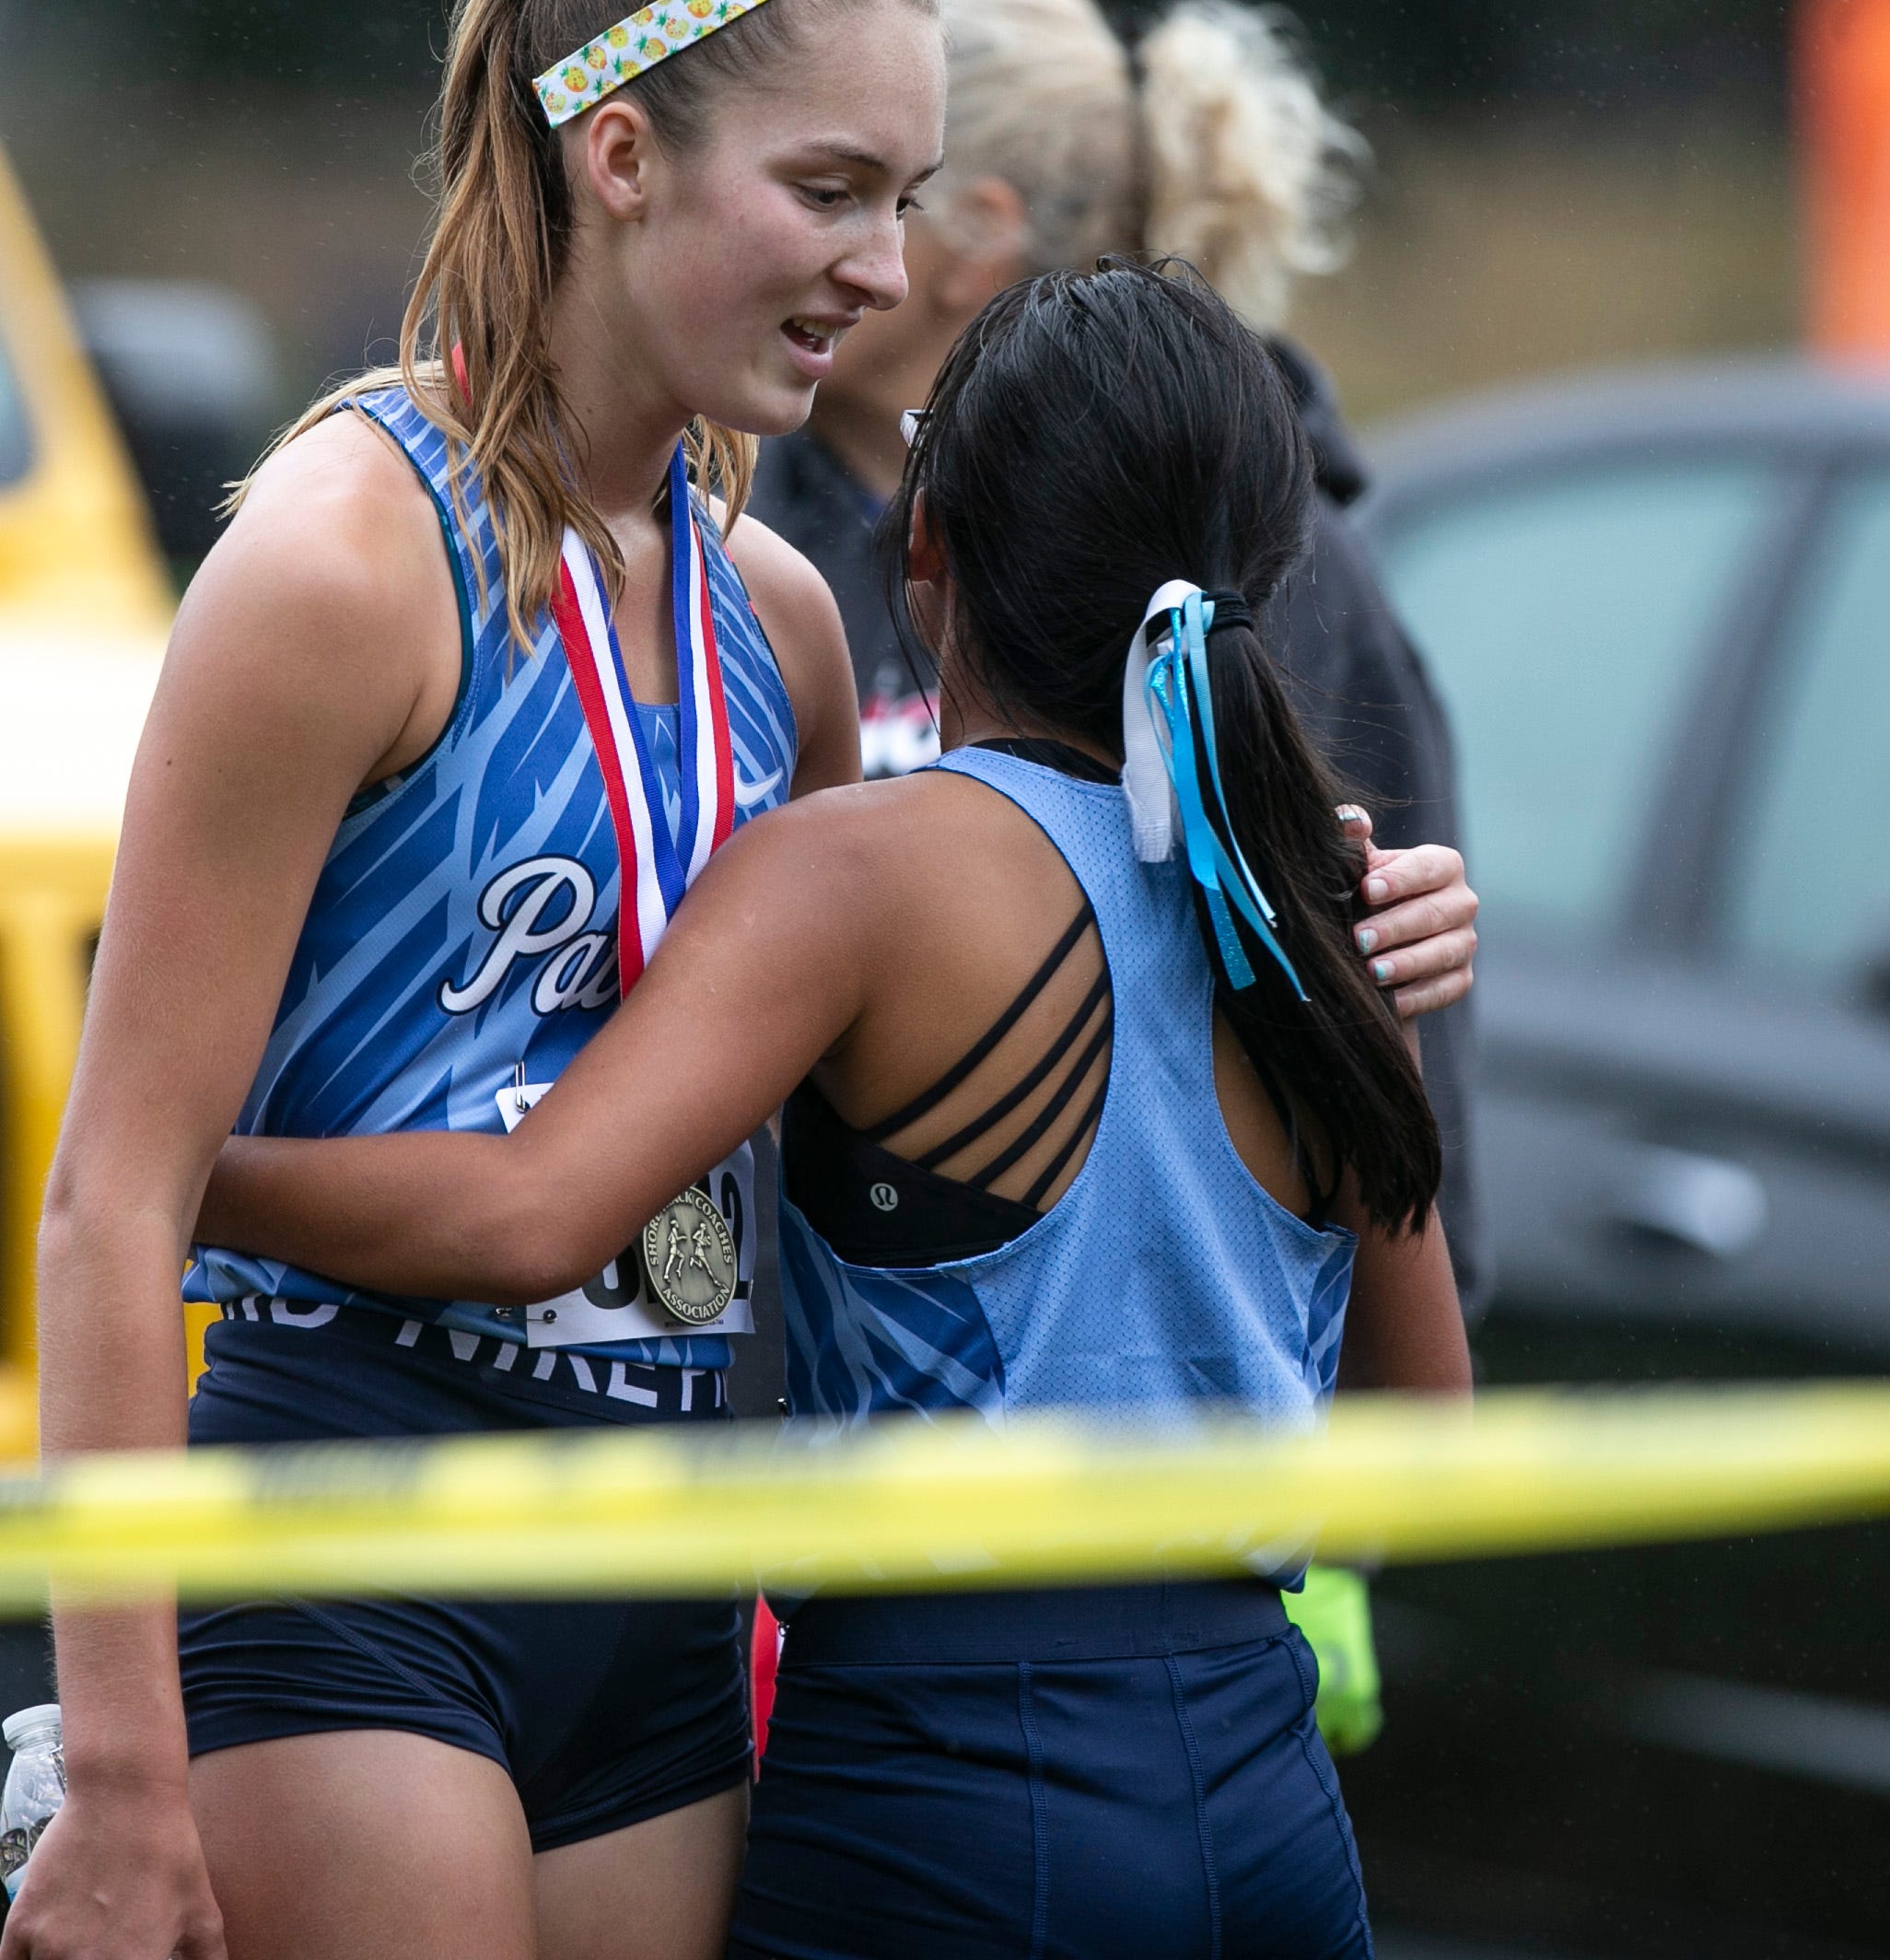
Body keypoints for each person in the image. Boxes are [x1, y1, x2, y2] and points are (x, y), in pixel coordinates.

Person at [202, 257, 1470, 1958]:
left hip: (944, 1781)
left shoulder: (863, 879)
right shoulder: (1318, 916)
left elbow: (528, 1219)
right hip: (1262, 1787)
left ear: (923, 542)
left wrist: (184, 1176)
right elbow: (1426, 1432)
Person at [1, 0, 905, 1960]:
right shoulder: (335, 564)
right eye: (828, 188)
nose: (881, 266)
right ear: (619, 160)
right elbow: (114, 1190)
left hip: (660, 1563)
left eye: (908, 198)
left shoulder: (776, 620)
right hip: (351, 1542)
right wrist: (121, 1774)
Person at [760, 0, 1485, 1316]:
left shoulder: (1256, 570)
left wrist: (1390, 926)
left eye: (851, 194)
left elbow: (1406, 1164)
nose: (787, 237)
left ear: (968, 235)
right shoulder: (713, 538)